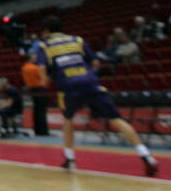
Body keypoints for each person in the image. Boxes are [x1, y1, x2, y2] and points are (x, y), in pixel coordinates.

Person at [31, 15, 159, 175]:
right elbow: (95, 62)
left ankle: (69, 158)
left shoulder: (44, 46)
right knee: (116, 119)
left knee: (68, 119)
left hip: (69, 87)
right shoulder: (77, 40)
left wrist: (44, 83)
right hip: (90, 83)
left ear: (46, 31)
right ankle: (146, 156)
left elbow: (42, 70)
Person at [20, 49, 48, 136]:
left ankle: (37, 130)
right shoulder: (35, 68)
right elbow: (44, 79)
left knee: (36, 110)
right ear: (30, 58)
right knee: (41, 111)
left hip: (31, 90)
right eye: (34, 56)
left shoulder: (24, 68)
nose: (35, 57)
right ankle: (43, 131)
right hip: (39, 89)